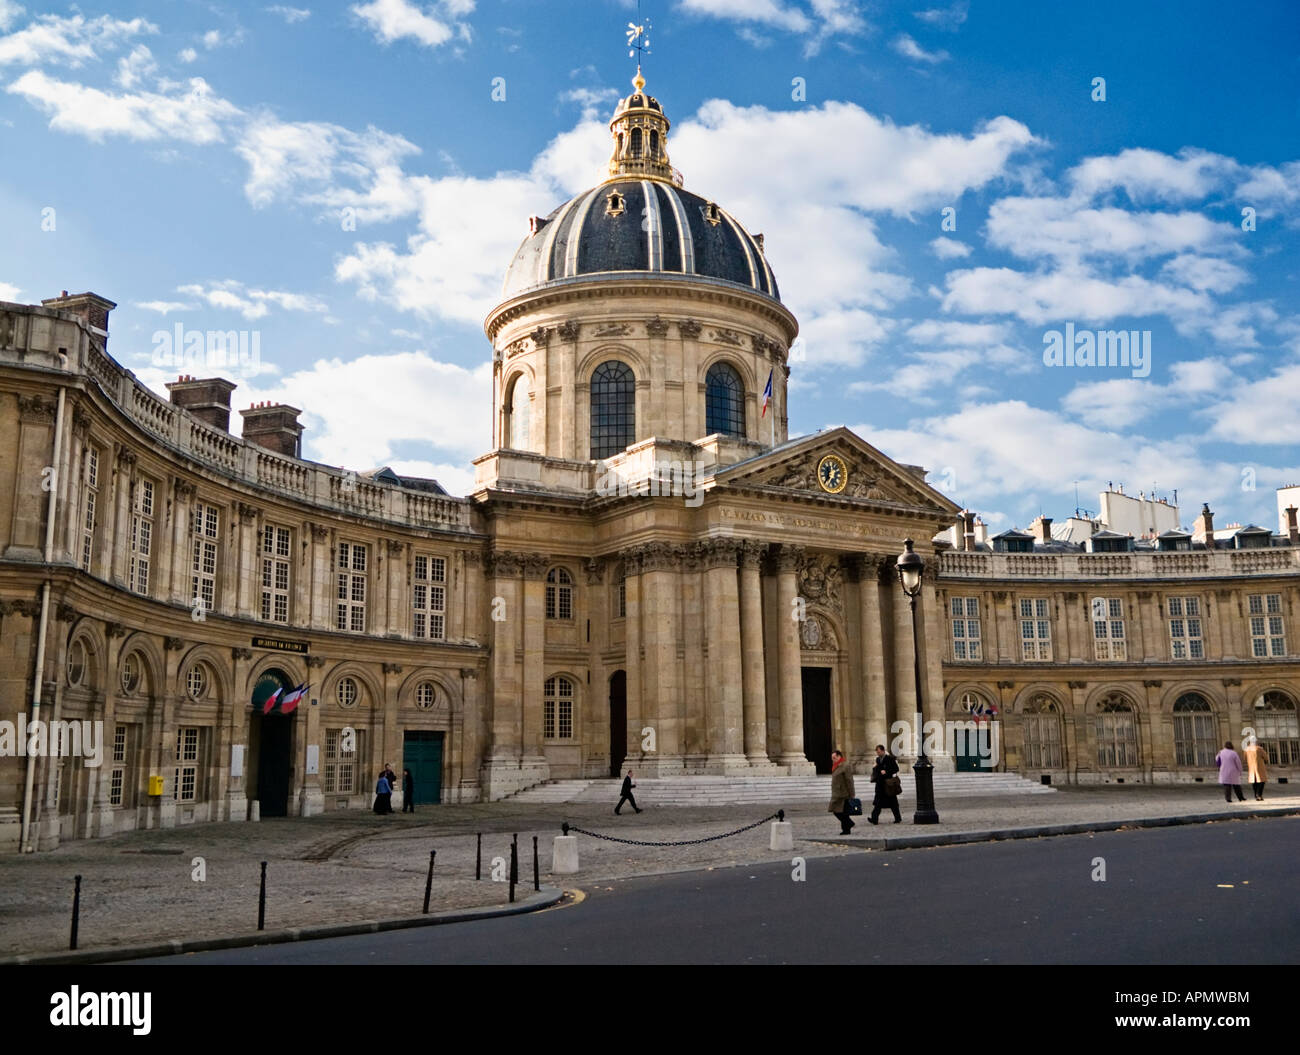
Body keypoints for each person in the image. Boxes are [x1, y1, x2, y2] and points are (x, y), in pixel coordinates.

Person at [868, 744, 902, 824]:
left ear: (883, 751)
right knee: (877, 803)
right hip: (880, 785)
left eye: (879, 752)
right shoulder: (877, 760)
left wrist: (886, 771)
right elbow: (876, 771)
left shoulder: (890, 759)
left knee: (893, 803)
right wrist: (875, 767)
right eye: (877, 752)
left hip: (888, 784)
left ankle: (898, 818)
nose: (878, 753)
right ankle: (874, 819)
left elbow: (896, 769)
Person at [828, 749, 856, 835]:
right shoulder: (836, 765)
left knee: (840, 811)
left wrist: (852, 793)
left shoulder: (845, 766)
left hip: (843, 793)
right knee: (841, 811)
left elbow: (849, 780)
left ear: (839, 756)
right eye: (832, 758)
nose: (833, 759)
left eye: (834, 757)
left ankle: (847, 828)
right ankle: (848, 826)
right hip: (837, 792)